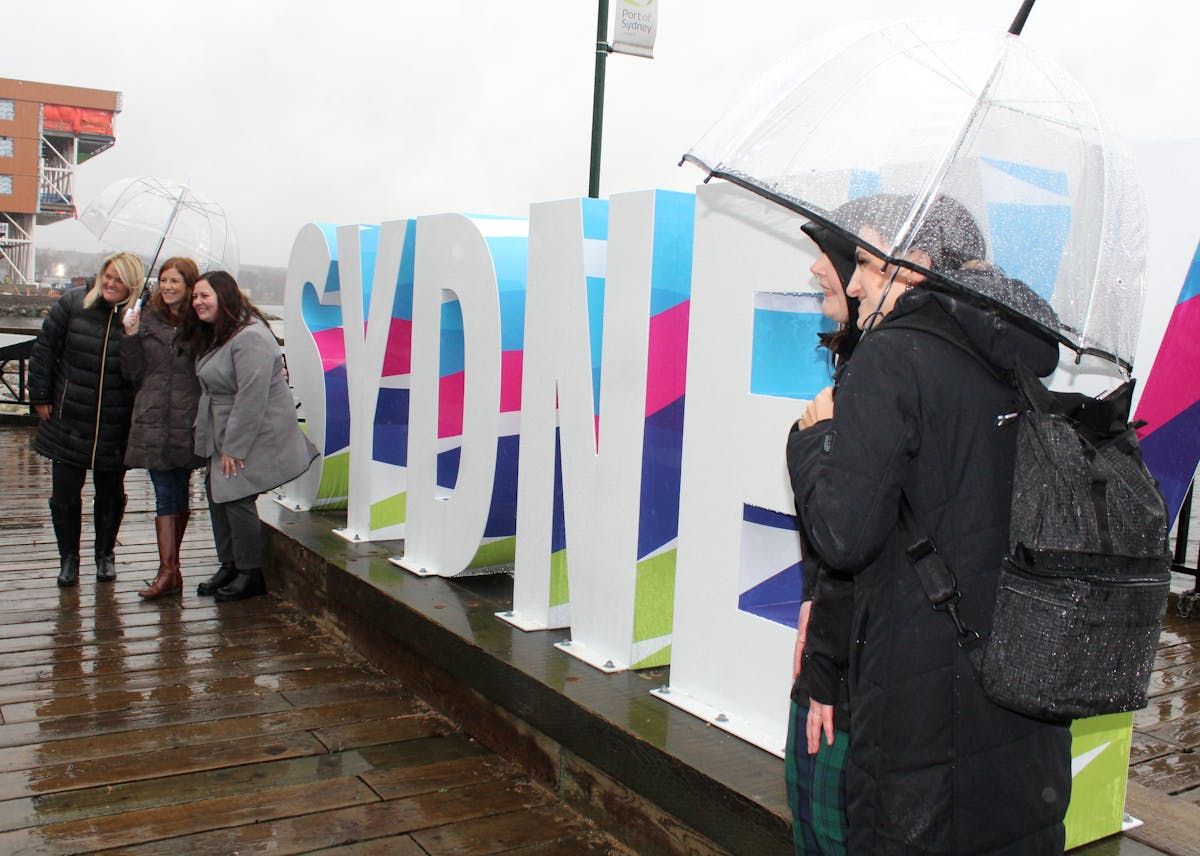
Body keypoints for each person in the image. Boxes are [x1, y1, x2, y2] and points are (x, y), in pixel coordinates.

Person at [787, 195, 1071, 854]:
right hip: (1016, 678)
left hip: (918, 682)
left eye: (863, 260)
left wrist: (813, 442)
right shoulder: (1013, 355)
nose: (853, 283)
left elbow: (843, 536)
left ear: (913, 264)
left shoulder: (891, 359)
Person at [785, 216, 860, 856]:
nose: (816, 270)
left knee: (828, 823)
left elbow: (848, 535)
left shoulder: (877, 390)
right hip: (830, 649)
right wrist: (811, 600)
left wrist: (818, 439)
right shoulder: (854, 378)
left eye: (832, 259)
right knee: (810, 813)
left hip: (850, 672)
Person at [184, 271, 318, 601]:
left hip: (252, 430)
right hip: (222, 425)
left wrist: (235, 446)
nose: (198, 302)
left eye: (205, 296)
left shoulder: (250, 337)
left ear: (225, 297)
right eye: (195, 296)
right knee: (217, 493)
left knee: (236, 496)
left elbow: (251, 395)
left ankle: (250, 573)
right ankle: (229, 565)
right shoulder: (218, 334)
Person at [30, 251, 145, 587]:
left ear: (132, 285)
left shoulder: (139, 318)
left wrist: (133, 335)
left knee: (110, 493)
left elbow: (139, 373)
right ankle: (69, 559)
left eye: (119, 279)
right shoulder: (72, 304)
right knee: (64, 494)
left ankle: (105, 555)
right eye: (107, 275)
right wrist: (41, 396)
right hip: (69, 418)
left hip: (115, 423)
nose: (110, 283)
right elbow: (44, 350)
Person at [120, 257, 205, 599]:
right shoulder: (147, 319)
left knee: (179, 490)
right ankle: (167, 569)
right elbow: (132, 372)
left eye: (176, 282)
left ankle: (172, 570)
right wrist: (129, 335)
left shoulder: (200, 323)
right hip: (153, 418)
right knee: (164, 493)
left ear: (188, 286)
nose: (168, 287)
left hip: (188, 419)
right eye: (164, 280)